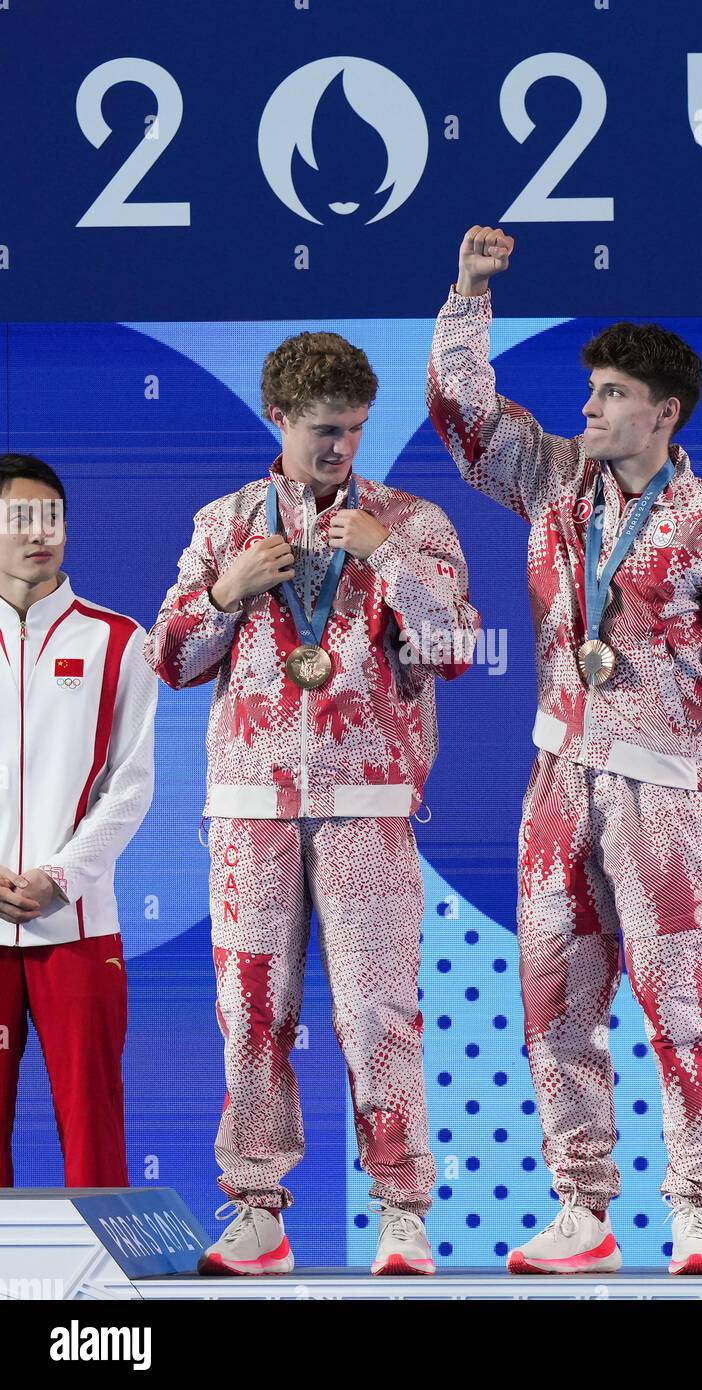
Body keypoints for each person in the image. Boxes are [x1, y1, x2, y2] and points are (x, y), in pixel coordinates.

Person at [427, 227, 702, 1277]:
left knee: (680, 1000)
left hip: (663, 799)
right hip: (557, 784)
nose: (585, 407)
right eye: (587, 390)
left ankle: (695, 1209)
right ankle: (581, 1206)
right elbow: (463, 416)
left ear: (664, 411)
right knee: (553, 993)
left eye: (609, 393)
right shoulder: (551, 485)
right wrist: (467, 296)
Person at [145, 331, 479, 1277]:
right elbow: (169, 660)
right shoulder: (224, 524)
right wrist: (225, 590)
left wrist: (390, 566)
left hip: (368, 800)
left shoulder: (410, 521)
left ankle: (402, 1211)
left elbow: (455, 648)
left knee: (377, 1010)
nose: (340, 450)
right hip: (249, 805)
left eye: (355, 431)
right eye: (323, 431)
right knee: (252, 1008)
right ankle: (257, 1211)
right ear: (277, 419)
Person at [0, 453, 157, 1188]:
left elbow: (131, 785)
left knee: (95, 1123)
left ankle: (105, 1284)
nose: (42, 535)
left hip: (82, 924)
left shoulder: (118, 640)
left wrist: (62, 876)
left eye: (52, 518)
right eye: (20, 519)